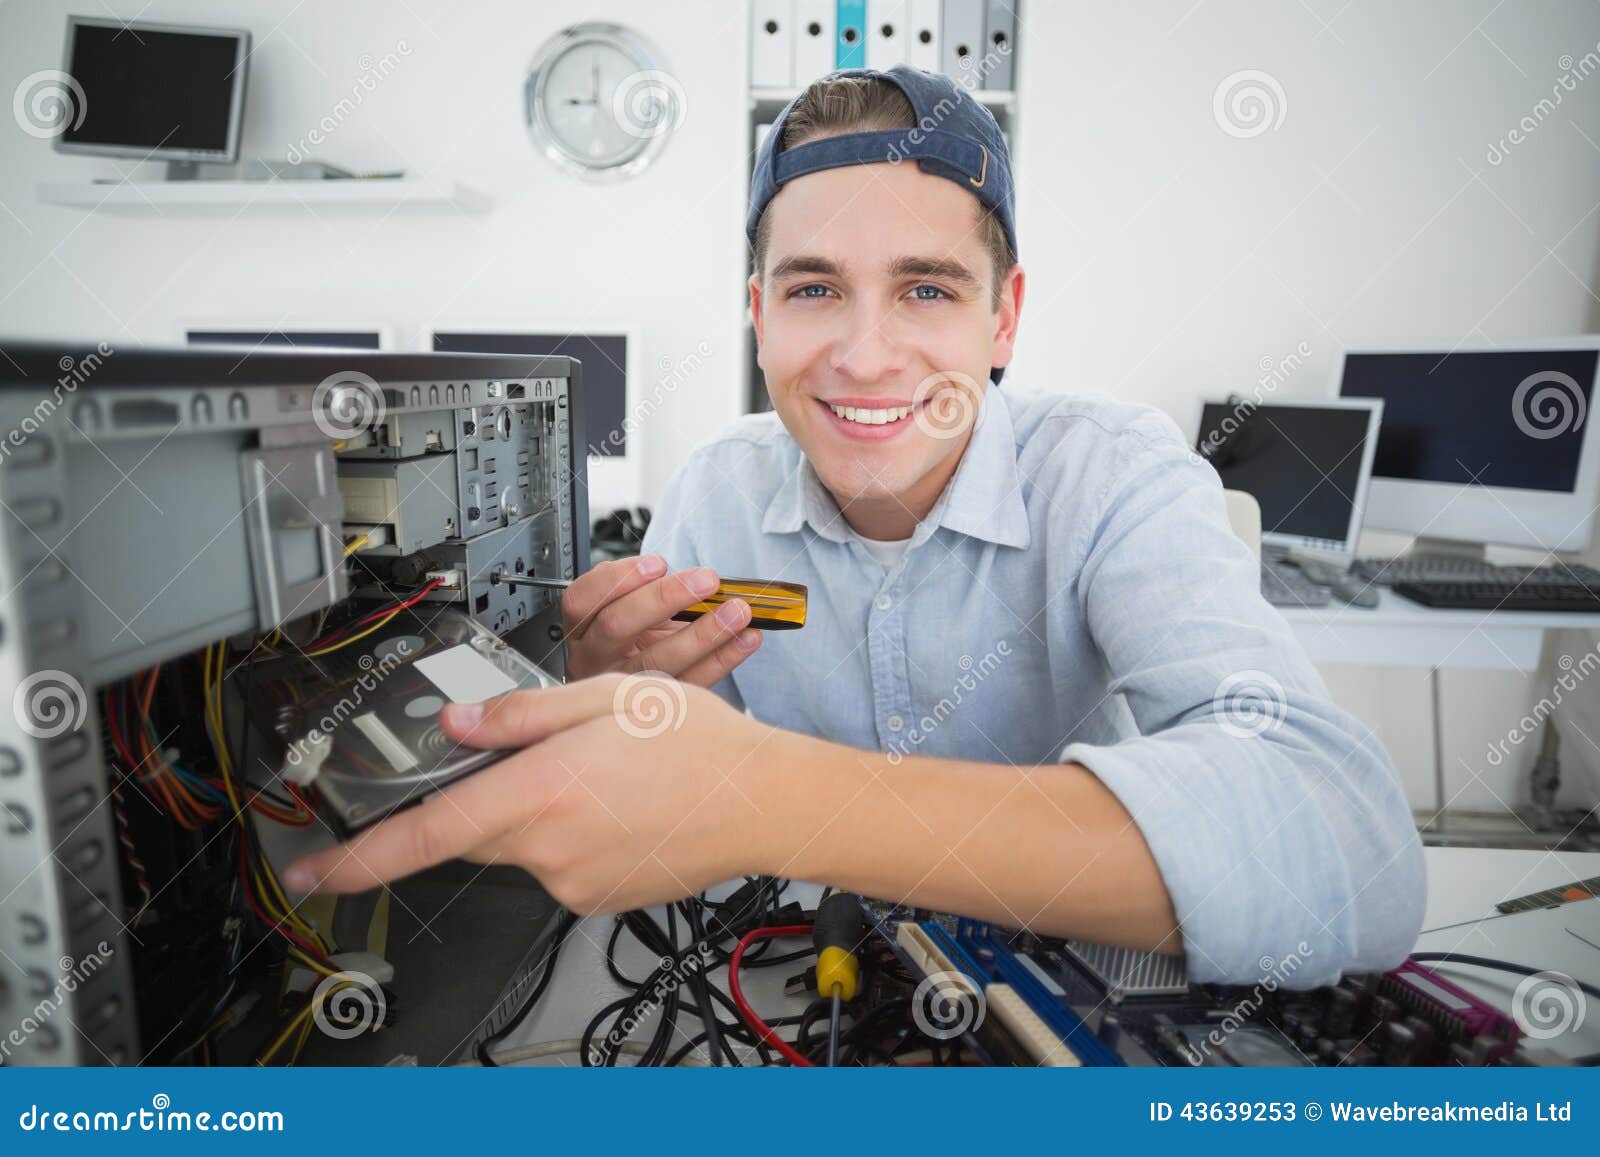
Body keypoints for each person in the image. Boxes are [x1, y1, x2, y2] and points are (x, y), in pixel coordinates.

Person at [287, 66, 1423, 985]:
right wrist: (611, 700)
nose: (866, 356)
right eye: (813, 287)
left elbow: (1351, 852)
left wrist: (763, 797)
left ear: (1003, 317)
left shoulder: (1116, 475)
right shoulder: (716, 490)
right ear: (758, 313)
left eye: (926, 288)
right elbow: (666, 810)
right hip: (787, 985)